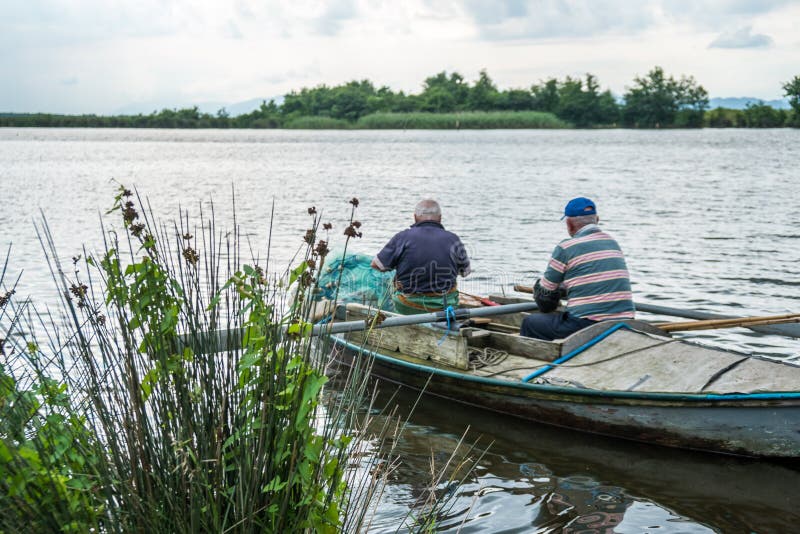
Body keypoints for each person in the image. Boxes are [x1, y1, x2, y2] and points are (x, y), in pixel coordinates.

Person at [520, 197, 634, 340]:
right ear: (597, 219)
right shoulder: (612, 243)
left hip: (588, 324)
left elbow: (545, 297)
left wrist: (547, 290)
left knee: (530, 322)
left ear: (569, 223)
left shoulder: (566, 248)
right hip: (625, 321)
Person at [371, 199, 471, 314]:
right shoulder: (454, 239)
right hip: (444, 305)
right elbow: (465, 272)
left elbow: (377, 265)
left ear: (415, 217)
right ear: (440, 218)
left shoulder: (402, 237)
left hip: (409, 306)